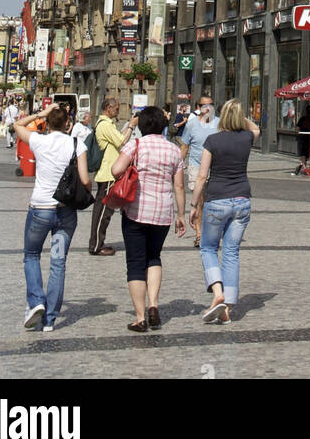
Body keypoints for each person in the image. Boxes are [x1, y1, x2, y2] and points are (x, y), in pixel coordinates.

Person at [14, 103, 91, 331]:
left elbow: (17, 125)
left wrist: (41, 113)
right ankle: (50, 319)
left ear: (47, 124)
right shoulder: (77, 144)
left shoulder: (39, 140)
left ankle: (36, 301)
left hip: (40, 210)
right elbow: (86, 180)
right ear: (68, 123)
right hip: (65, 214)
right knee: (58, 262)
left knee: (31, 255)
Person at [111, 106, 186, 332]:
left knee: (135, 263)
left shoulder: (136, 145)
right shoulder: (174, 150)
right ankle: (154, 305)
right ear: (163, 126)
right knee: (154, 257)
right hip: (162, 214)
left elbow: (115, 170)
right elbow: (179, 185)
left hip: (136, 211)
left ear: (141, 126)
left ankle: (140, 317)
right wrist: (181, 215)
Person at [191, 98, 259, 324]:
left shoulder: (213, 140)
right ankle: (227, 307)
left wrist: (193, 206)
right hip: (242, 200)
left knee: (208, 248)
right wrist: (241, 118)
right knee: (231, 253)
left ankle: (218, 292)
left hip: (217, 200)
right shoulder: (247, 138)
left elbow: (202, 176)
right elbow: (256, 128)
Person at [89, 99, 136, 257]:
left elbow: (119, 139)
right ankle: (96, 245)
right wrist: (131, 125)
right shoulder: (105, 125)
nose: (118, 110)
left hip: (108, 173)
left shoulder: (107, 124)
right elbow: (122, 141)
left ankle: (97, 243)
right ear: (108, 108)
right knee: (103, 212)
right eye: (116, 108)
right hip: (107, 173)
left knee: (104, 211)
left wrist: (130, 126)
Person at [180, 95, 219, 248]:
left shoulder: (220, 123)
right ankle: (199, 234)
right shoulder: (191, 124)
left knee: (213, 201)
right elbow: (184, 146)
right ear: (198, 107)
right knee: (199, 201)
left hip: (216, 166)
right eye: (204, 105)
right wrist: (178, 164)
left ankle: (212, 232)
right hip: (196, 166)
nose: (208, 108)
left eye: (210, 105)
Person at [294, 105, 310, 176]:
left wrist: (298, 133)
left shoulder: (303, 119)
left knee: (304, 153)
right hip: (309, 138)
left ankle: (304, 166)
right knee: (308, 153)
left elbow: (297, 128)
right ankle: (307, 166)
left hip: (304, 138)